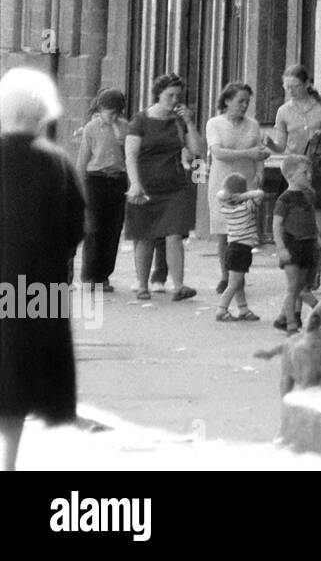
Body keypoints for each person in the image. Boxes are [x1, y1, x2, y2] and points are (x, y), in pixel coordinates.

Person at [0, 68, 85, 471]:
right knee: (19, 381)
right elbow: (74, 226)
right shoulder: (57, 163)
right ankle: (10, 462)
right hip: (38, 286)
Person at [125, 73, 205, 302]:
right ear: (158, 94)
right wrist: (135, 184)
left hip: (175, 184)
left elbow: (197, 150)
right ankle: (142, 285)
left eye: (178, 96)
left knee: (174, 234)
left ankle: (179, 286)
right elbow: (131, 155)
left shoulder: (179, 121)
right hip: (146, 183)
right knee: (145, 235)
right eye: (170, 95)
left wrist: (190, 122)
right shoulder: (140, 121)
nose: (174, 100)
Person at [206, 82, 271, 295]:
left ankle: (239, 274)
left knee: (242, 231)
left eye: (247, 102)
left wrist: (260, 170)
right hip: (222, 180)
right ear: (227, 101)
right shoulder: (214, 124)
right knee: (224, 231)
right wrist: (249, 154)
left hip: (246, 181)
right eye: (240, 101)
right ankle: (225, 276)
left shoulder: (252, 125)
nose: (244, 106)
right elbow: (218, 152)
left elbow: (259, 151)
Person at [267, 64, 321, 240]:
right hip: (294, 169)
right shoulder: (283, 111)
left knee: (319, 218)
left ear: (307, 84)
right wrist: (269, 144)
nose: (291, 91)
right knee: (294, 216)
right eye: (287, 86)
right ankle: (298, 258)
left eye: (295, 86)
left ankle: (316, 259)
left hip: (319, 167)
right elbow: (281, 146)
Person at [75, 88, 130, 292]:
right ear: (100, 109)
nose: (112, 116)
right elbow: (83, 159)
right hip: (96, 178)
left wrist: (119, 135)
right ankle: (89, 274)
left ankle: (104, 276)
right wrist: (78, 185)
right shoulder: (91, 128)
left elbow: (129, 155)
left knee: (113, 228)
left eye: (116, 112)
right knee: (94, 227)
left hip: (117, 178)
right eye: (109, 112)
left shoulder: (125, 128)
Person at [273, 154, 321, 333]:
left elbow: (311, 221)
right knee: (294, 288)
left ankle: (283, 317)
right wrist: (281, 248)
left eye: (310, 172)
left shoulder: (309, 195)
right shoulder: (284, 199)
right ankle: (291, 324)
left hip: (308, 245)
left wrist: (319, 241)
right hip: (291, 246)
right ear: (291, 175)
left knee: (302, 285)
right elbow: (276, 226)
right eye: (304, 172)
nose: (309, 176)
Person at [214, 173, 263, 322]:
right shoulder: (247, 207)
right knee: (234, 283)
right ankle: (221, 309)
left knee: (239, 283)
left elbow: (219, 194)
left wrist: (231, 195)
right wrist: (243, 196)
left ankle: (243, 309)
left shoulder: (225, 207)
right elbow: (260, 193)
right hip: (242, 250)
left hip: (232, 248)